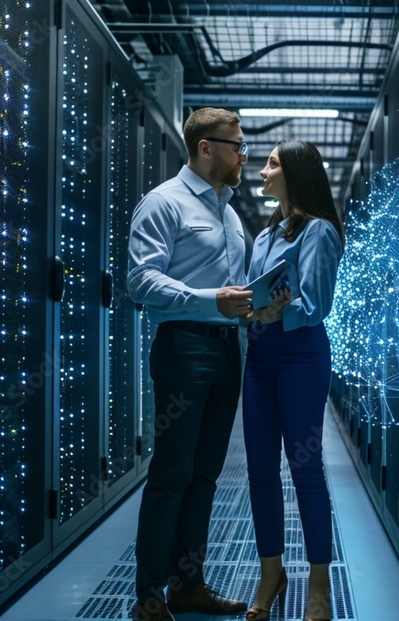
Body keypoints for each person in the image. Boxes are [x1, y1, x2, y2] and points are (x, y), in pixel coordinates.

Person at [127, 108, 258, 621]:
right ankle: (149, 596)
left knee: (205, 474)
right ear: (206, 147)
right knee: (172, 472)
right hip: (184, 347)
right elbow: (141, 282)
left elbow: (236, 288)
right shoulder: (164, 203)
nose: (242, 154)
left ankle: (189, 585)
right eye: (236, 145)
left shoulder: (229, 211)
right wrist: (211, 300)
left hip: (228, 349)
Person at [242, 141, 345, 621]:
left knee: (305, 469)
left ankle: (319, 585)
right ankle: (272, 573)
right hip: (260, 358)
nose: (262, 171)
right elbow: (251, 296)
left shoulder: (319, 231)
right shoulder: (264, 237)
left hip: (301, 356)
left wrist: (276, 310)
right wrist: (254, 309)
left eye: (273, 164)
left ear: (296, 173)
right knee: (260, 469)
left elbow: (316, 304)